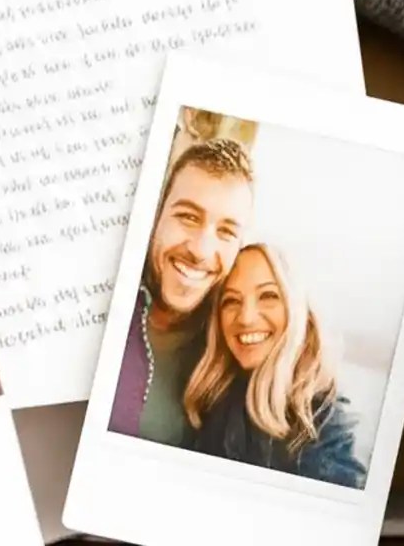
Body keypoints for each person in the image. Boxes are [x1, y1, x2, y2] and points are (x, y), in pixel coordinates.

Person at [183, 244, 368, 489]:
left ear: (298, 308)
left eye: (268, 296)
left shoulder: (324, 421)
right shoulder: (214, 396)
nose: (246, 317)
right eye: (231, 301)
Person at [110, 139, 255, 445]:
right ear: (157, 215)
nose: (201, 251)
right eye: (188, 217)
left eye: (226, 232)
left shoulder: (234, 345)